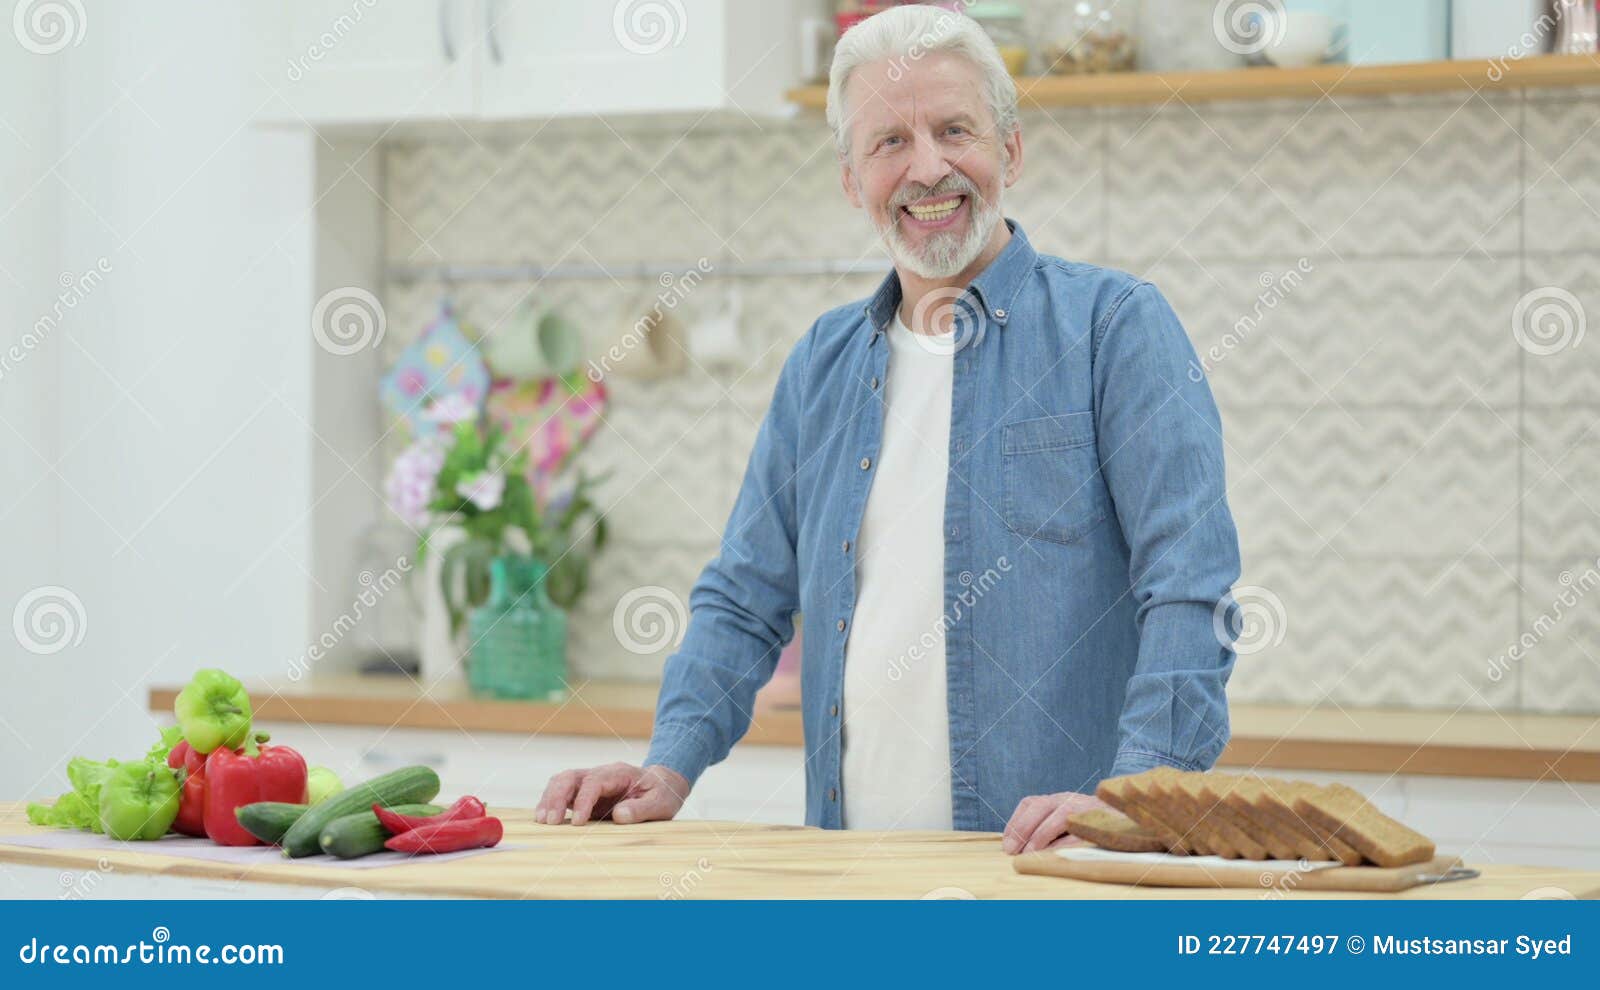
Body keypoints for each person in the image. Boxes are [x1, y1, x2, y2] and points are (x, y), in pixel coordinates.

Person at [536, 4, 1241, 855]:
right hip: (856, 871)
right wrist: (668, 764)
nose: (929, 168)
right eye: (889, 143)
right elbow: (745, 595)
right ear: (851, 179)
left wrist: (1140, 798)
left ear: (1009, 149)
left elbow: (1191, 588)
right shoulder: (822, 362)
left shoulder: (1114, 328)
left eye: (954, 130)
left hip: (1058, 877)